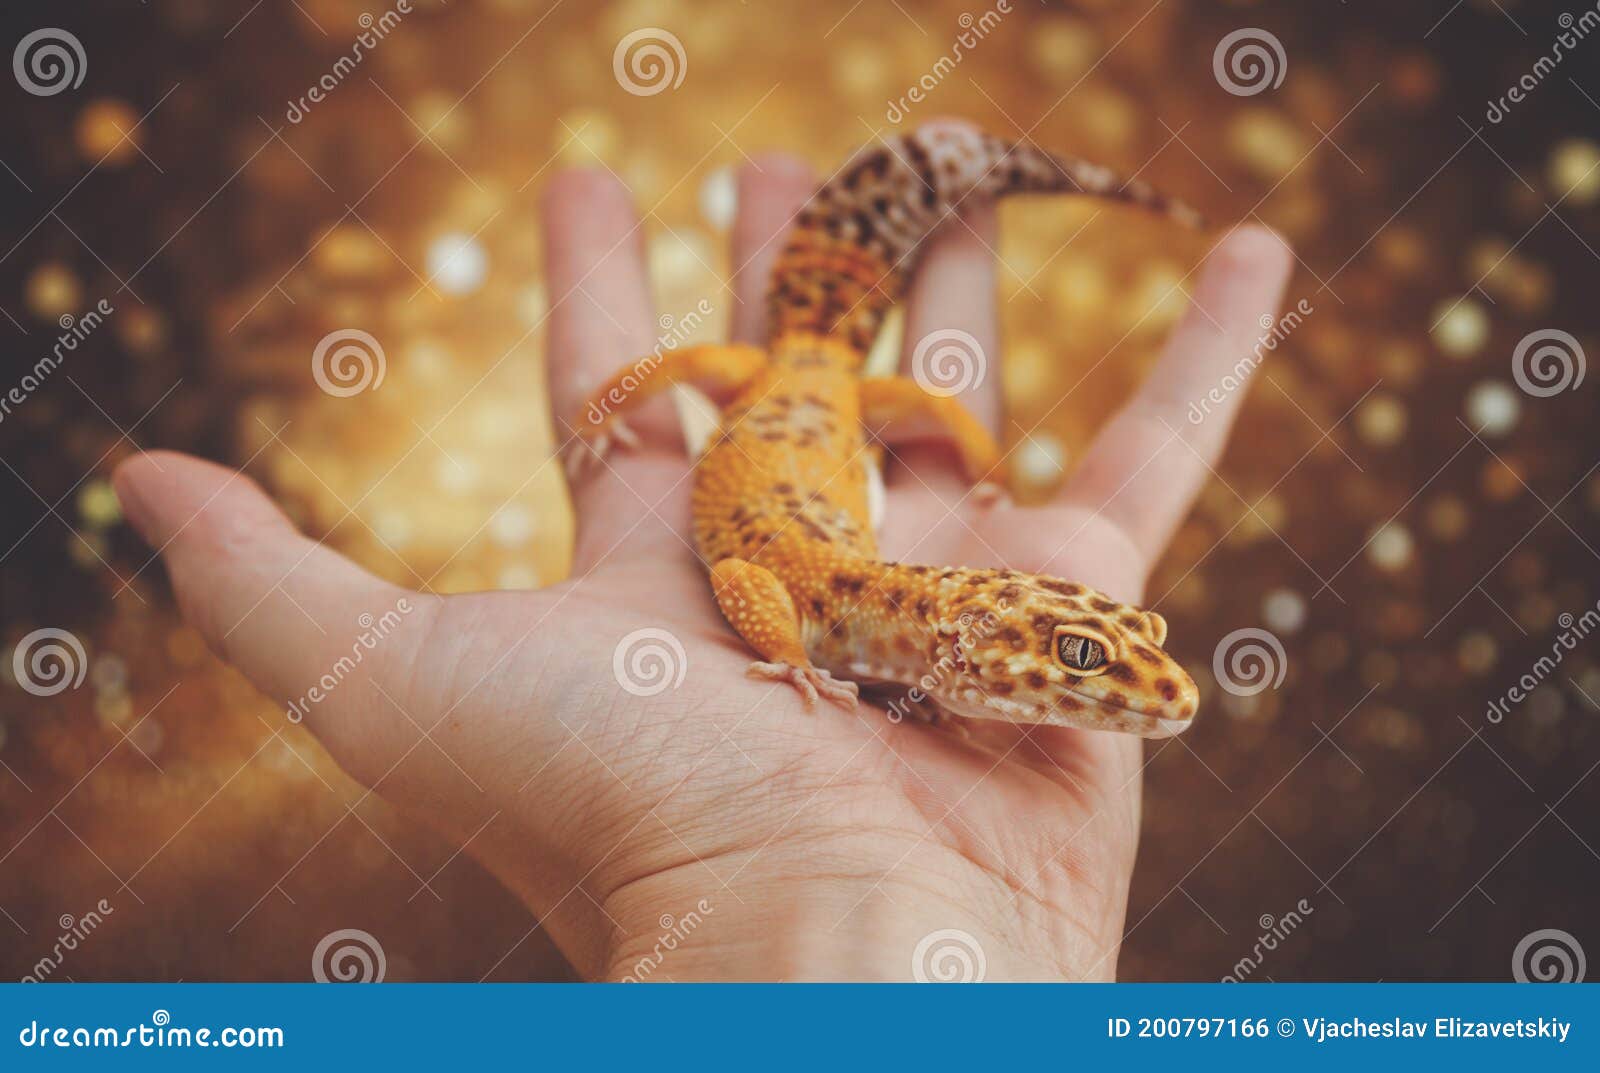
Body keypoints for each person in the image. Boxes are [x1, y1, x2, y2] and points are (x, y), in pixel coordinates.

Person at [112, 142, 1292, 981]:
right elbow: (742, 586)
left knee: (908, 401)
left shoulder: (897, 601)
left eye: (1111, 654)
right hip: (790, 389)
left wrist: (969, 462)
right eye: (1088, 657)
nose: (1131, 686)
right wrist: (626, 400)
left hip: (826, 396)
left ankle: (963, 185)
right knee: (721, 369)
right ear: (980, 639)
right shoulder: (829, 604)